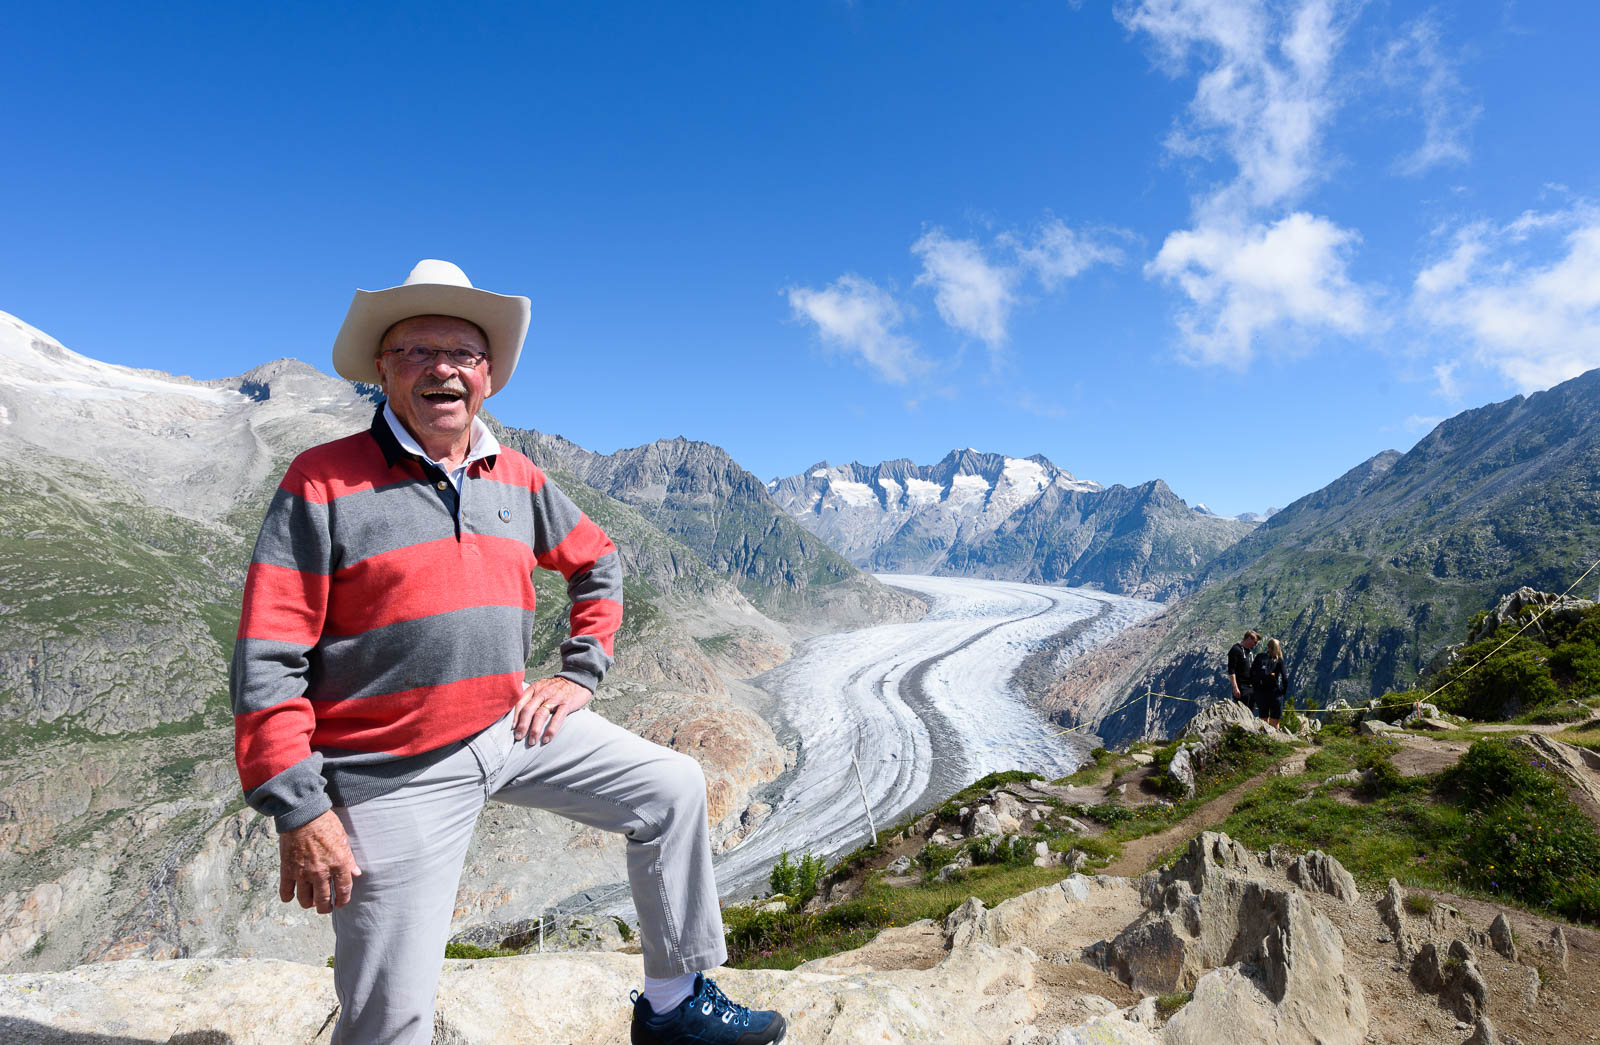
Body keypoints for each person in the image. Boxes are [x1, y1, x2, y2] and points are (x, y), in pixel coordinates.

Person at [230, 260, 787, 1045]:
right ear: (382, 369)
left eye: (462, 352)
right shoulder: (321, 481)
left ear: (487, 374)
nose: (442, 369)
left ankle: (672, 1006)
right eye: (417, 351)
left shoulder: (515, 475)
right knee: (390, 1017)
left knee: (672, 787)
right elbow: (268, 656)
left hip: (509, 727)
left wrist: (580, 671)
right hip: (390, 769)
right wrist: (301, 806)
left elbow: (598, 560)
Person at [1251, 638, 1288, 730]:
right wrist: (1282, 691)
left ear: (1268, 647)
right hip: (1275, 693)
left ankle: (1263, 737)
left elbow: (1252, 673)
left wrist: (1256, 688)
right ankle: (1274, 737)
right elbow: (1285, 678)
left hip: (1261, 692)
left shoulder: (1259, 657)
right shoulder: (1279, 661)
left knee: (1263, 718)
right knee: (1275, 720)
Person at [1226, 630, 1260, 711]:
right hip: (1242, 688)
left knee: (1250, 711)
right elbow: (1231, 670)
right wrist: (1235, 688)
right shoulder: (1235, 650)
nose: (1255, 645)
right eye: (1255, 642)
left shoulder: (1248, 651)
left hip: (1251, 687)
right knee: (1242, 711)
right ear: (1249, 639)